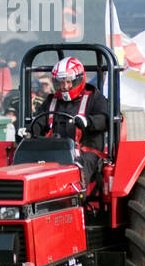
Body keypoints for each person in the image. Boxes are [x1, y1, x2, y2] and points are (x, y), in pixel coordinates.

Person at [32, 56, 108, 193]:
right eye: (61, 83)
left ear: (78, 79)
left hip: (85, 153)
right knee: (30, 166)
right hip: (53, 151)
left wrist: (88, 121)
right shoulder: (52, 101)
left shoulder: (95, 98)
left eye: (69, 82)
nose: (65, 87)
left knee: (75, 175)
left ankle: (73, 200)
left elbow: (104, 119)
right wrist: (29, 130)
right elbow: (39, 120)